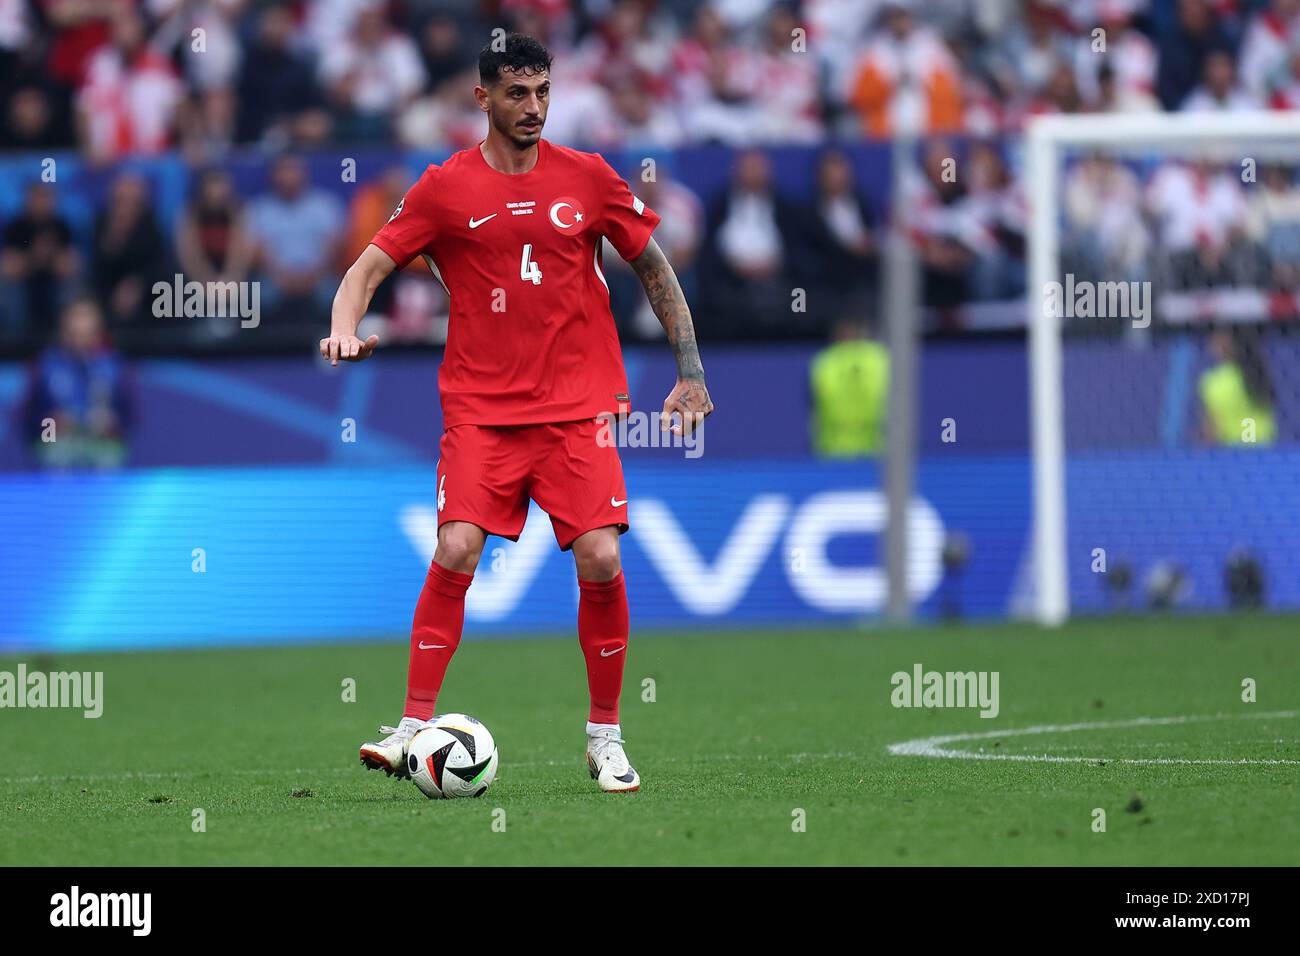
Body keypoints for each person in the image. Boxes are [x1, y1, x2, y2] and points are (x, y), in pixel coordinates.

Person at [319, 34, 713, 794]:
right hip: (482, 412)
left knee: (600, 558)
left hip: (577, 410)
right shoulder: (444, 189)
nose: (532, 108)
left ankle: (605, 737)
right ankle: (410, 728)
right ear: (483, 99)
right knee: (459, 545)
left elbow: (654, 267)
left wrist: (690, 373)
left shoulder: (588, 178)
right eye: (516, 94)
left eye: (542, 92)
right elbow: (367, 268)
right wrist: (342, 327)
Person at [810, 319, 888, 458]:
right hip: (874, 453)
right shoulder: (879, 357)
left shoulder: (824, 361)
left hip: (836, 453)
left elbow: (813, 406)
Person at [1199, 326, 1276, 447]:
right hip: (1264, 447)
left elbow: (1210, 429)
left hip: (1232, 451)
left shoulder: (1213, 381)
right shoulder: (1258, 372)